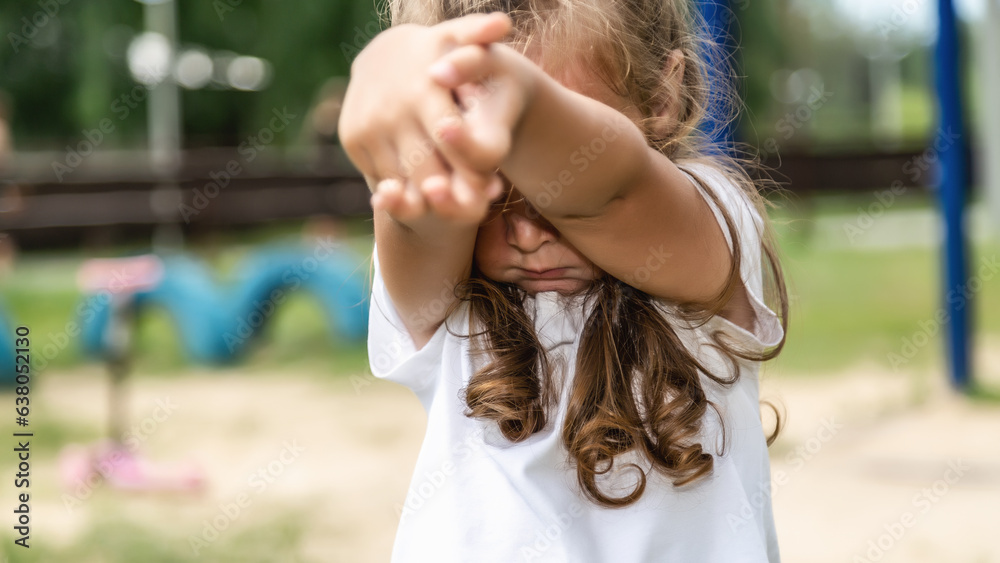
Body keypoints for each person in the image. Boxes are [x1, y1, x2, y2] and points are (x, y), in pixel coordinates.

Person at [339, 2, 788, 561]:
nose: (526, 233)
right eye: (489, 180)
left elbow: (610, 191)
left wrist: (519, 102)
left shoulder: (709, 224)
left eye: (546, 159)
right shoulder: (450, 296)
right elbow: (416, 216)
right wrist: (398, 72)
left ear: (659, 100)